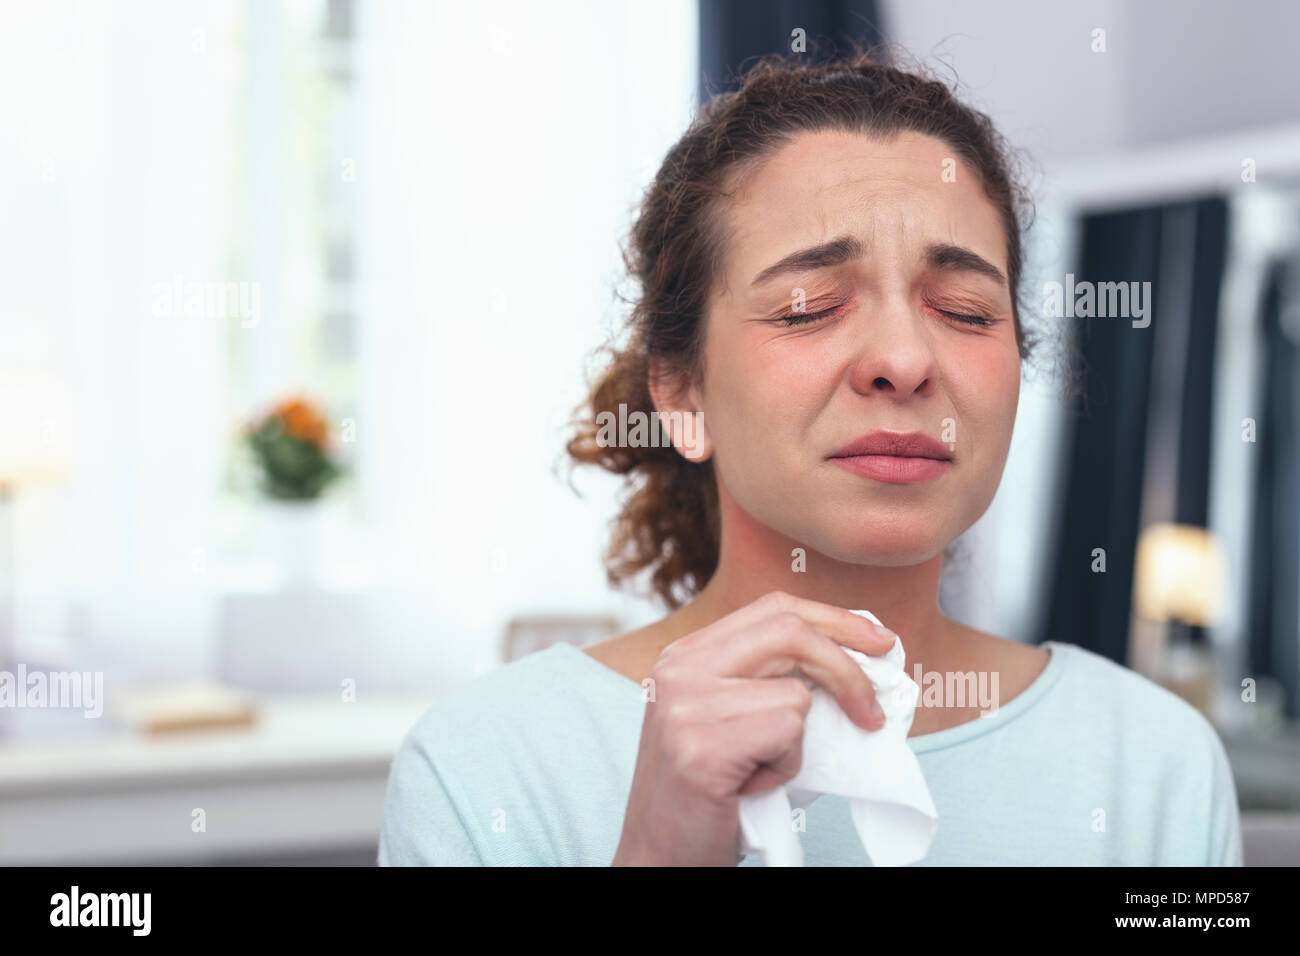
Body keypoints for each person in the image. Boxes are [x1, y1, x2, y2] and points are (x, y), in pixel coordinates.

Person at [379, 51, 1243, 866]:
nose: (903, 360)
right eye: (808, 308)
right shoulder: (486, 767)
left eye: (967, 310)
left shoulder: (1154, 767)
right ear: (682, 395)